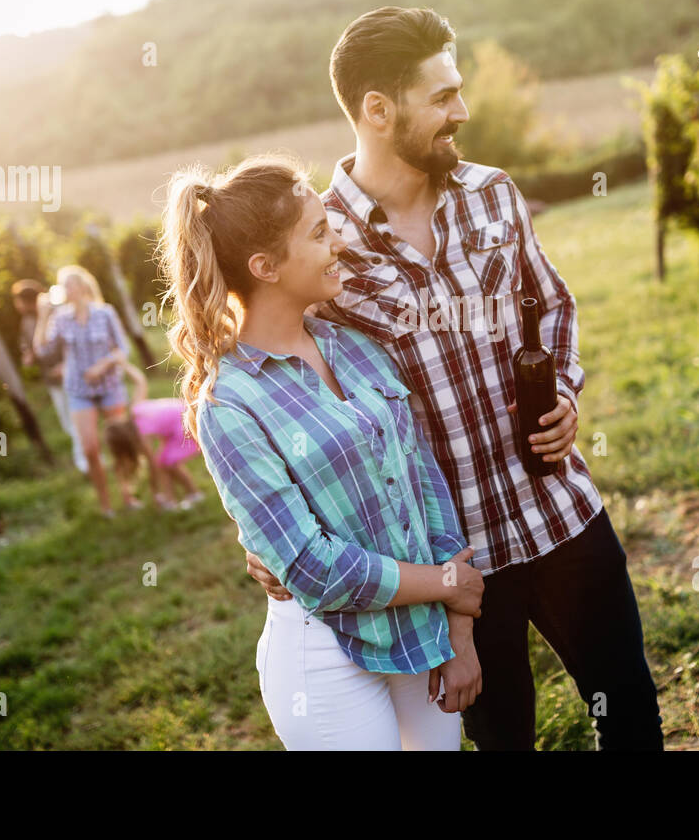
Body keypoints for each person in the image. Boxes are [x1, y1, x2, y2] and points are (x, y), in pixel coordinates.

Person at [246, 7, 664, 750]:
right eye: (441, 97)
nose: (461, 112)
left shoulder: (493, 192)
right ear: (378, 110)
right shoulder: (320, 242)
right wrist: (264, 533)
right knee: (505, 738)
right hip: (447, 564)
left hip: (558, 512)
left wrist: (564, 391)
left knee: (627, 707)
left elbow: (553, 305)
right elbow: (287, 394)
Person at [157, 153, 483, 750]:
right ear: (265, 266)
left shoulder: (354, 346)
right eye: (318, 233)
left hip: (423, 634)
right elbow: (310, 567)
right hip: (326, 657)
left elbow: (425, 483)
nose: (338, 243)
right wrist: (445, 583)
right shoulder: (229, 406)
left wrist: (457, 632)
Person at [32, 264, 136, 517]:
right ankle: (105, 504)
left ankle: (127, 495)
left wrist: (104, 364)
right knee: (90, 448)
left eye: (67, 284)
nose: (63, 289)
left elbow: (124, 349)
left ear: (80, 287)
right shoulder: (60, 318)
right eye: (62, 285)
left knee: (119, 444)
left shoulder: (105, 313)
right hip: (79, 390)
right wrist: (43, 317)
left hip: (110, 386)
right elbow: (42, 351)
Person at [11, 279, 88, 473]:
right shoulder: (26, 322)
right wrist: (28, 355)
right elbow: (30, 346)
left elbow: (69, 342)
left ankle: (85, 459)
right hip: (51, 378)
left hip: (70, 374)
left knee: (77, 418)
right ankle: (86, 454)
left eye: (18, 300)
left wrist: (65, 364)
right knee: (66, 422)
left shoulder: (56, 315)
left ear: (27, 300)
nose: (17, 305)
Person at [106, 362, 205, 510]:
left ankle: (190, 495)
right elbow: (140, 381)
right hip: (186, 413)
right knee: (164, 462)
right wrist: (124, 365)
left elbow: (153, 467)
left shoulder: (142, 434)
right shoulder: (135, 409)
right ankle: (173, 499)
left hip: (186, 426)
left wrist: (155, 491)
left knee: (167, 463)